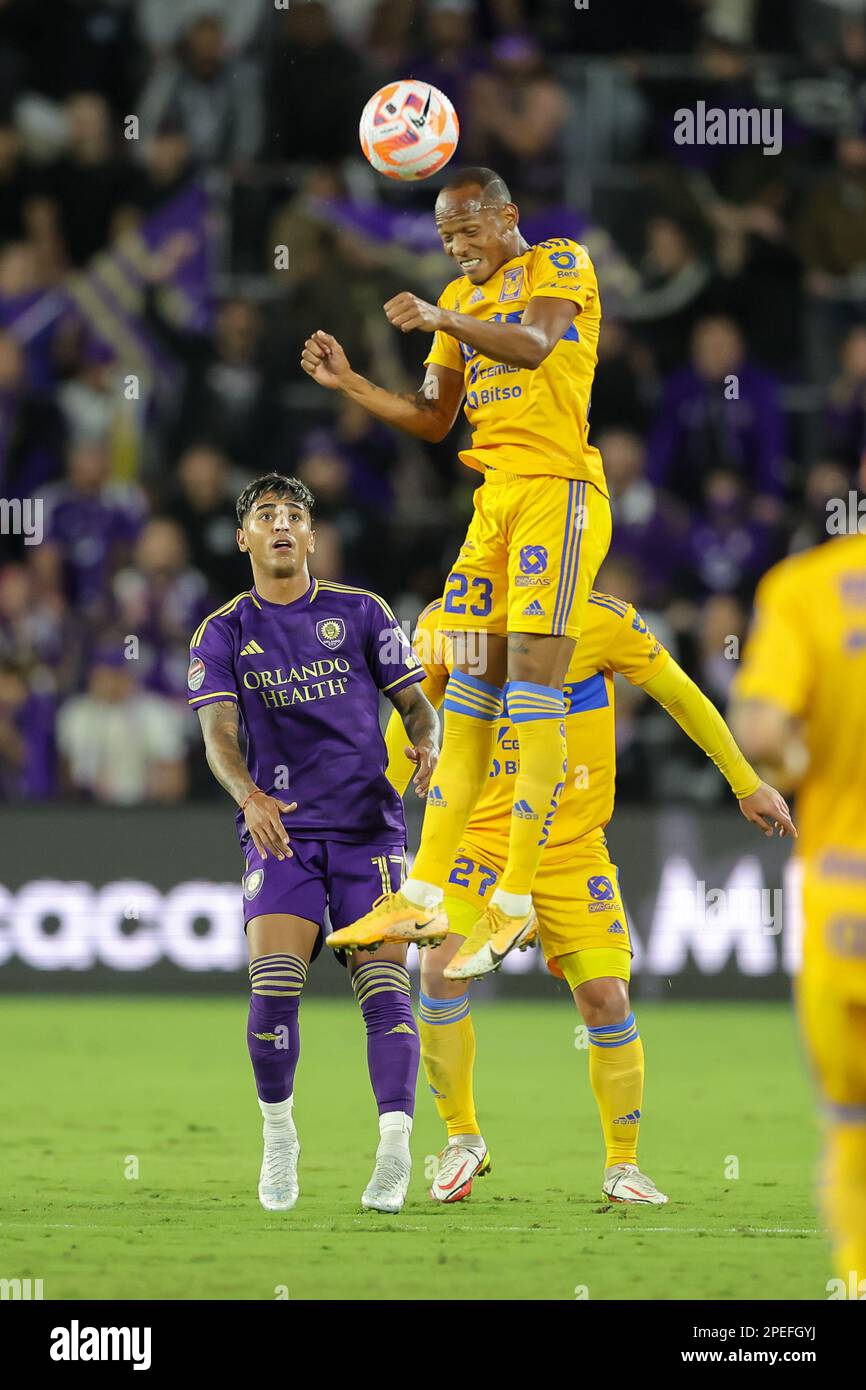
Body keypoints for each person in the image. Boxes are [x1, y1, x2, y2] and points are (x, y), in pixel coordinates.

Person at [383, 590, 795, 1205]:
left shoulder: (600, 619)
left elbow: (682, 695)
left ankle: (622, 1166)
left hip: (571, 846)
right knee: (439, 971)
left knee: (607, 997)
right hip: (481, 843)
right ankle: (463, 1140)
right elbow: (408, 716)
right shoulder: (449, 620)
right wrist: (382, 808)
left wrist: (744, 780)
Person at [303, 166, 612, 964]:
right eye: (445, 236)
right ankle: (420, 898)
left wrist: (444, 312)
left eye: (468, 229)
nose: (457, 246)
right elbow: (435, 418)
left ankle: (515, 900)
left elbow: (539, 345)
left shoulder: (561, 263)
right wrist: (352, 384)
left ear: (507, 215)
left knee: (535, 690)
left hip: (559, 493)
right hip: (495, 504)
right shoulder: (458, 303)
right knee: (471, 684)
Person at [188, 473, 439, 1215]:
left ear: (313, 536)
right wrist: (249, 794)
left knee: (386, 991)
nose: (283, 525)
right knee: (272, 990)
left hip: (370, 832)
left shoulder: (362, 613)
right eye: (266, 515)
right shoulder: (223, 631)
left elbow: (420, 711)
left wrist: (427, 746)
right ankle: (278, 1136)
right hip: (282, 831)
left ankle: (394, 1153)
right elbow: (217, 737)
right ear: (244, 539)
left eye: (295, 514)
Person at [729, 531, 866, 1293]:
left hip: (848, 905)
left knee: (853, 1130)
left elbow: (761, 730)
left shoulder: (808, 587)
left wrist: (802, 765)